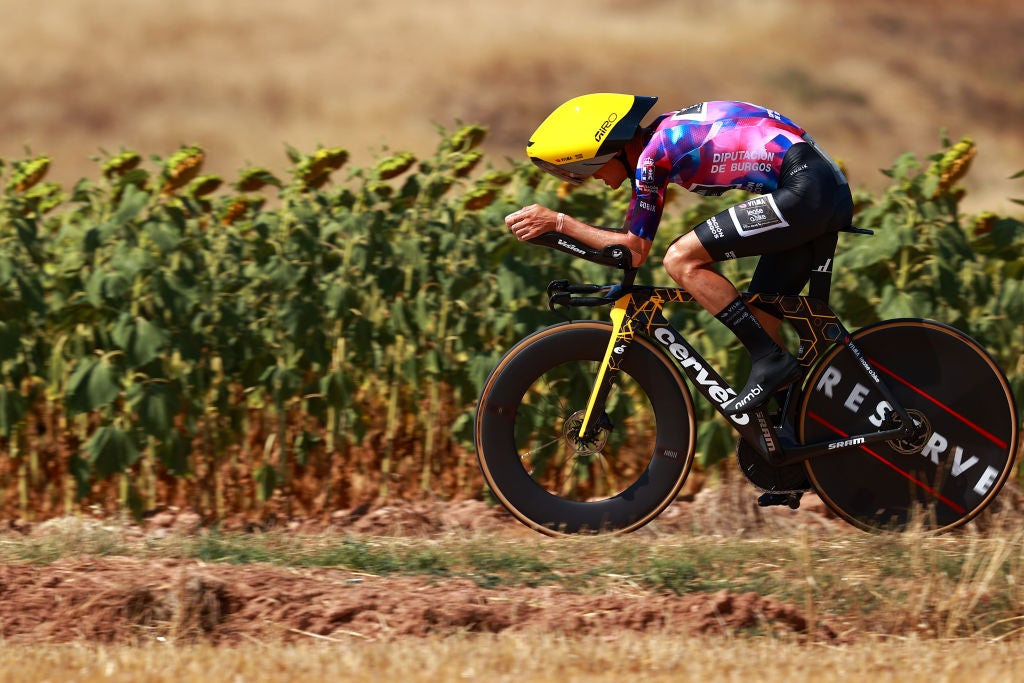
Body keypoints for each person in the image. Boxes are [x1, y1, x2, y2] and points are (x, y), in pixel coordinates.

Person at [505, 94, 853, 414]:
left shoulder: (654, 155)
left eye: (589, 170)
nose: (598, 180)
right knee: (763, 319)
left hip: (808, 189)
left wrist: (559, 222)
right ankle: (795, 438)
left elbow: (635, 250)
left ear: (607, 152)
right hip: (818, 187)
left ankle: (770, 360)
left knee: (680, 259)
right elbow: (631, 243)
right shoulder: (661, 135)